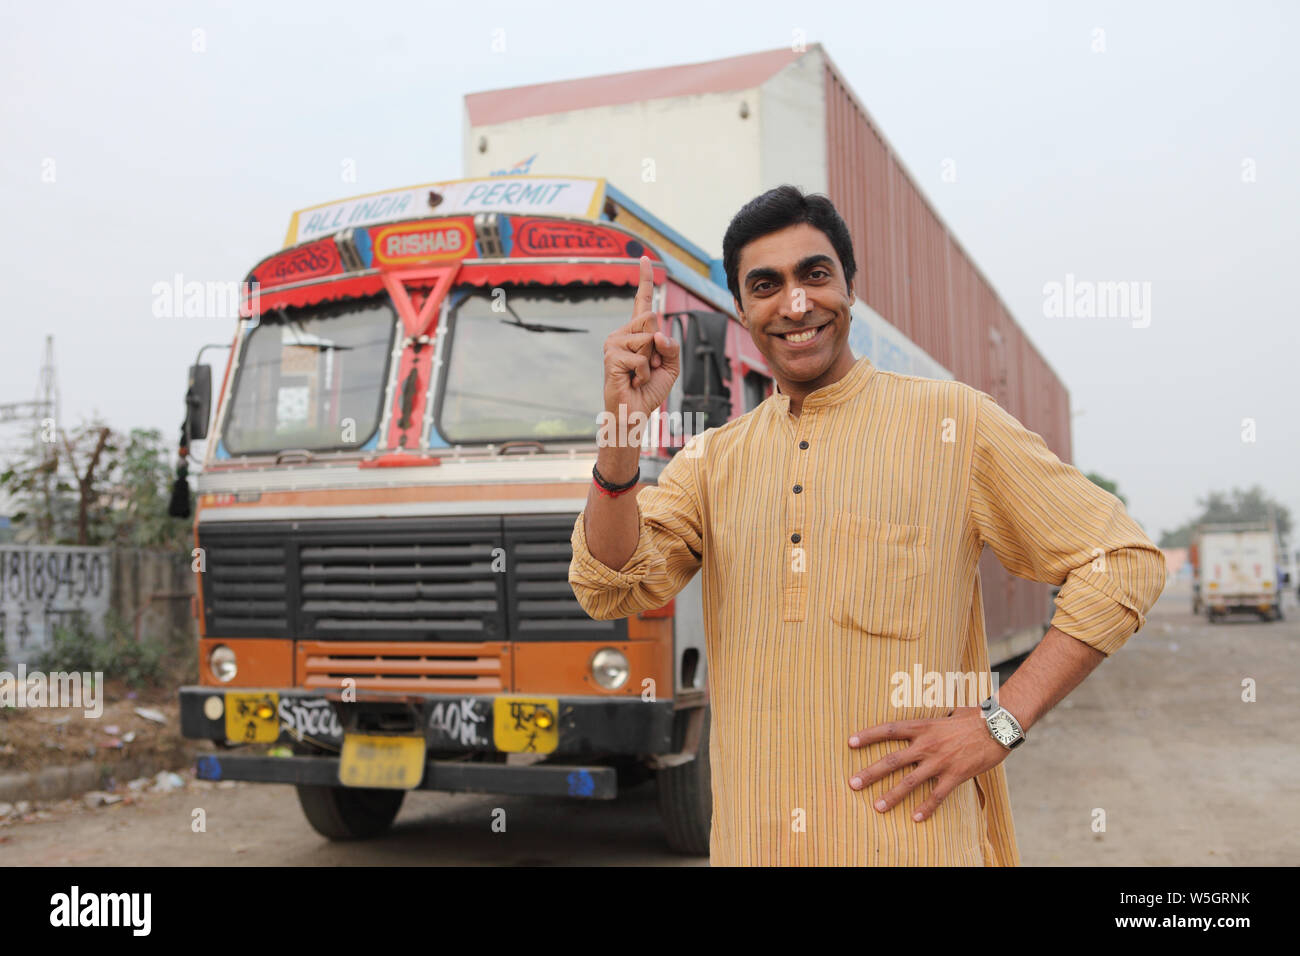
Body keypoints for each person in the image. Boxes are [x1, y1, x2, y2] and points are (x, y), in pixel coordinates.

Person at [568, 185, 1167, 866]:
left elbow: (1123, 559)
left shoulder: (952, 424)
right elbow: (611, 587)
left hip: (913, 847)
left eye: (814, 275)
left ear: (850, 288)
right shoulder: (714, 460)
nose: (795, 304)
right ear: (742, 310)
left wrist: (1000, 721)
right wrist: (621, 432)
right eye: (766, 285)